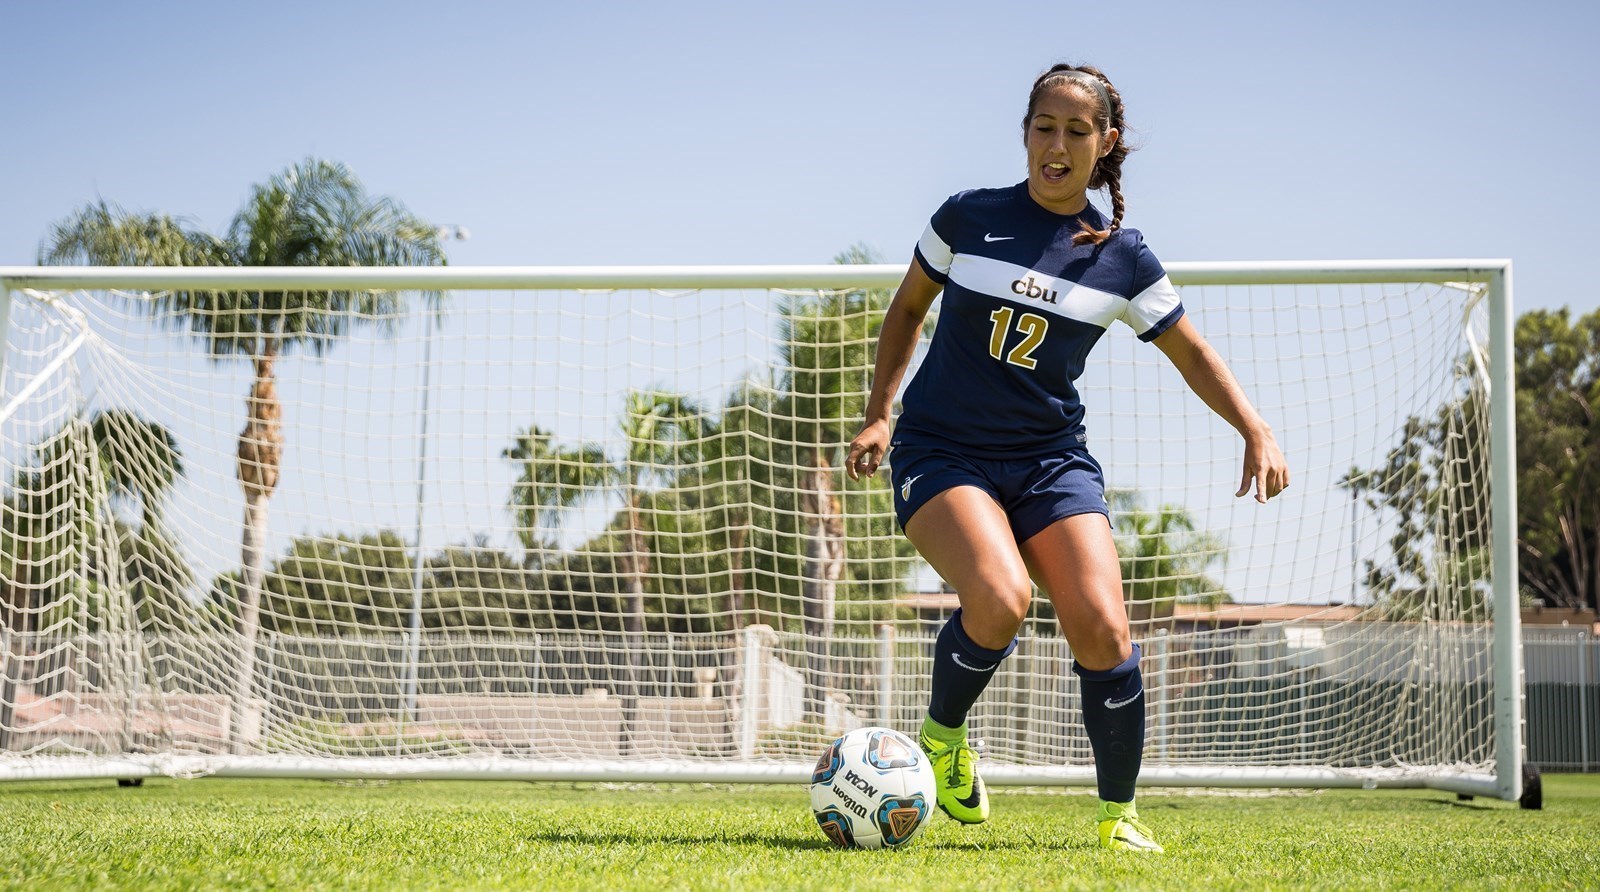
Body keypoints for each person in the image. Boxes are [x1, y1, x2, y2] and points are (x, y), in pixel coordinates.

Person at [845, 63, 1289, 852]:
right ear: (1024, 133)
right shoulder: (966, 216)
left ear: (1104, 143)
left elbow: (1191, 353)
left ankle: (1119, 818)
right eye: (1043, 128)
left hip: (1050, 463)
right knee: (1000, 597)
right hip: (943, 450)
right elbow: (908, 308)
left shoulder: (1123, 258)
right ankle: (943, 738)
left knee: (1104, 630)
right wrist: (880, 415)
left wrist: (1254, 427)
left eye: (1076, 132)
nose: (1056, 145)